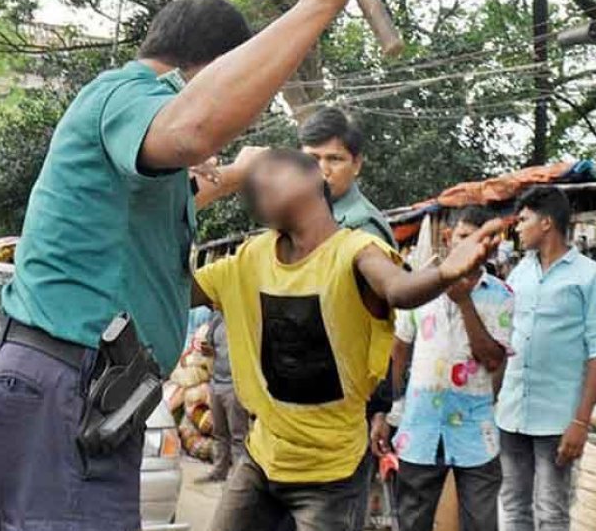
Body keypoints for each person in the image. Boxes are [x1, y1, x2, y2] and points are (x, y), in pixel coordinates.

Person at [0, 0, 373, 530]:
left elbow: (140, 208)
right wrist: (316, 2)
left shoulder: (131, 138)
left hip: (68, 383)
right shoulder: (130, 93)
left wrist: (237, 174)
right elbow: (191, 127)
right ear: (209, 68)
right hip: (73, 383)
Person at [194, 149, 505, 531]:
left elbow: (397, 288)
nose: (259, 185)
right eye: (252, 183)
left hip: (331, 475)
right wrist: (218, 180)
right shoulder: (251, 256)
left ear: (314, 178)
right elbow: (170, 286)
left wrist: (444, 273)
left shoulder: (356, 250)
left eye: (272, 173)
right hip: (262, 457)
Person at [376, 206, 514, 531]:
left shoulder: (501, 295)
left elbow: (493, 360)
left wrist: (464, 301)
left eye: (485, 240)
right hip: (420, 427)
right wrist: (385, 412)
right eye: (466, 238)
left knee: (481, 523)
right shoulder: (418, 286)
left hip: (476, 433)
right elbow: (399, 351)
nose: (475, 247)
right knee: (412, 522)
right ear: (449, 238)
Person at [496, 186, 596, 531]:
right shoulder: (519, 273)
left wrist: (581, 421)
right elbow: (505, 339)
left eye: (523, 220)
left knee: (551, 511)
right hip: (512, 411)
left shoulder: (591, 276)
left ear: (546, 222)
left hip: (558, 418)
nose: (517, 228)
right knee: (513, 508)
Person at [299, 108, 394, 246]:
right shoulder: (297, 213)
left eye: (334, 159)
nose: (323, 171)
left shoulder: (363, 228)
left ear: (356, 164)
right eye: (312, 158)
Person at [197, 310, 249, 484]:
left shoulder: (244, 317)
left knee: (238, 435)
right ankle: (219, 472)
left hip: (235, 385)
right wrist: (206, 349)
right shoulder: (218, 318)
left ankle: (238, 477)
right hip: (217, 383)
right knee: (219, 433)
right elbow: (210, 346)